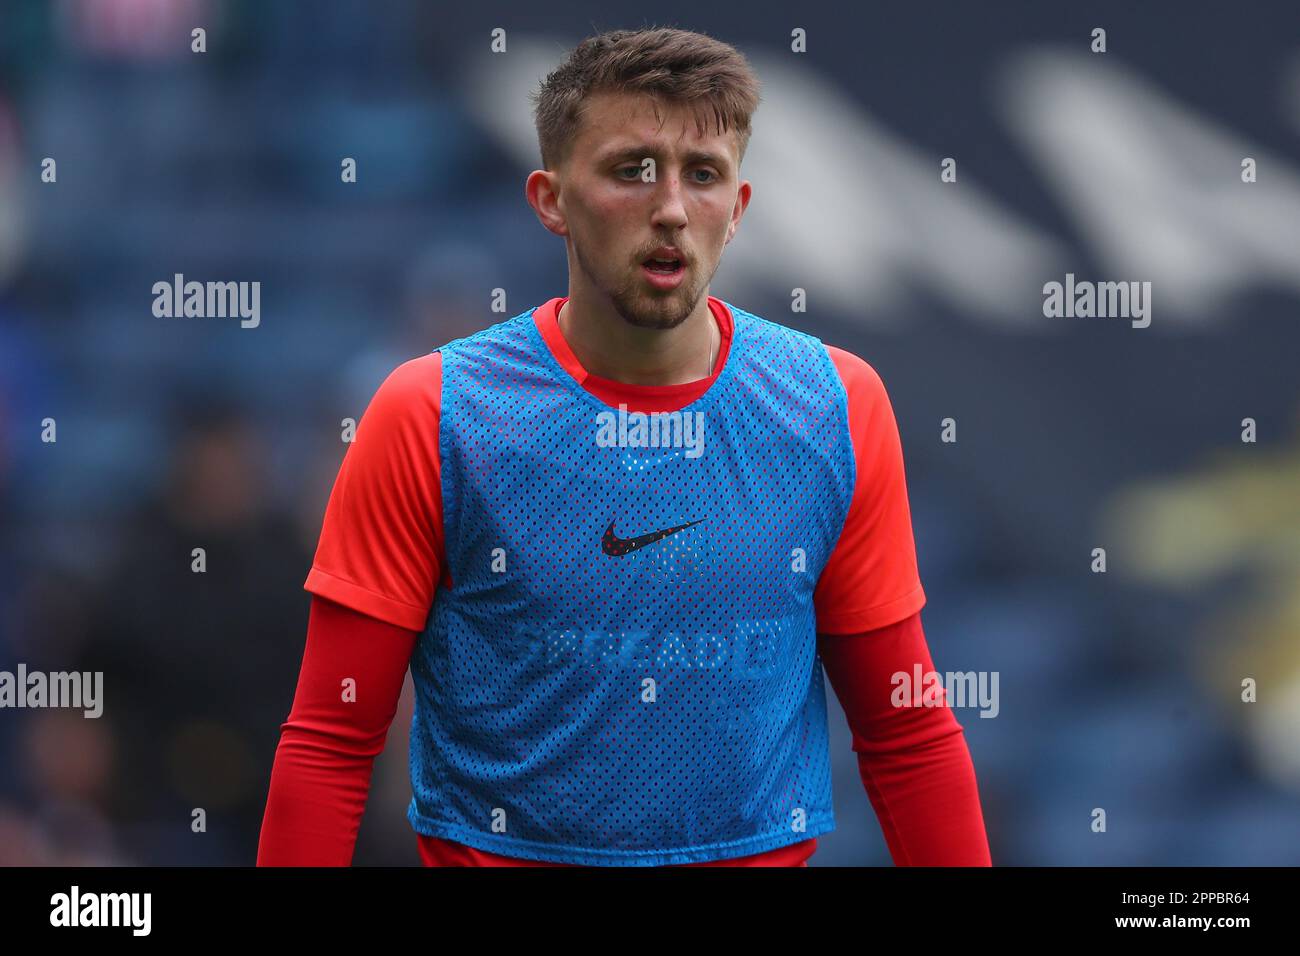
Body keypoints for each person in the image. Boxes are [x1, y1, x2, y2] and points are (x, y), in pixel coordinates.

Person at [257, 27, 991, 867]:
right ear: (550, 199)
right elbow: (331, 740)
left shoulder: (835, 406)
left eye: (703, 174)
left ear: (739, 210)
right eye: (632, 169)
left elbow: (907, 731)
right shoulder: (432, 413)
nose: (672, 206)